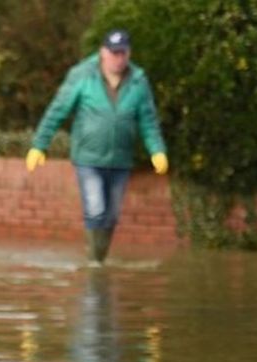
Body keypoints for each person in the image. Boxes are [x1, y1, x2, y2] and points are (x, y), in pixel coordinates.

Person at [25, 29, 168, 264]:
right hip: (88, 158)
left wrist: (157, 150)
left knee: (111, 215)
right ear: (103, 52)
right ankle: (94, 260)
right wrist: (39, 145)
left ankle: (100, 257)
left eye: (122, 53)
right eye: (113, 53)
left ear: (128, 53)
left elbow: (148, 120)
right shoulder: (82, 75)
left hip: (120, 159)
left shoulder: (138, 81)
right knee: (95, 209)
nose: (118, 59)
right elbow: (57, 110)